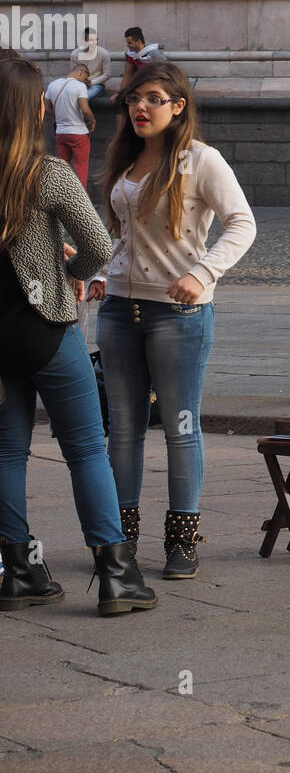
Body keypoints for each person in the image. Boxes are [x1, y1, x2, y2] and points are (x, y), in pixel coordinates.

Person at [0, 56, 156, 617]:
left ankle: (18, 573)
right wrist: (68, 270)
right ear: (32, 109)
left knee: (7, 452)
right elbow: (97, 246)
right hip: (46, 330)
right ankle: (116, 575)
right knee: (87, 448)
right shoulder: (45, 174)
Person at [87, 61, 256, 577]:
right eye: (132, 100)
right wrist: (99, 270)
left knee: (181, 427)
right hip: (118, 309)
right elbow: (121, 233)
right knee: (122, 428)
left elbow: (242, 224)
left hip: (178, 315)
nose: (139, 108)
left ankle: (182, 539)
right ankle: (120, 538)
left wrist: (203, 273)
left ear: (178, 106)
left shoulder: (201, 161)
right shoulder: (126, 158)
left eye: (153, 99)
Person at [45, 62, 96, 190]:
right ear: (81, 72)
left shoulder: (53, 84)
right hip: (78, 133)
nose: (85, 81)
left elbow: (46, 108)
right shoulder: (79, 86)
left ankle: (60, 198)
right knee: (81, 168)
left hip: (61, 133)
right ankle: (81, 202)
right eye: (86, 77)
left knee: (62, 168)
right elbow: (85, 109)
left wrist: (60, 116)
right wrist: (92, 122)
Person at [115, 28, 163, 103]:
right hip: (138, 84)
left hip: (154, 84)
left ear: (138, 42)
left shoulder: (154, 54)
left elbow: (164, 73)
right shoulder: (131, 55)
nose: (127, 45)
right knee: (120, 99)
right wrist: (120, 93)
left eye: (129, 43)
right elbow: (128, 74)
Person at [71, 27, 111, 100]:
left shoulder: (104, 53)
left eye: (96, 39)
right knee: (69, 94)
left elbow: (107, 74)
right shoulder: (75, 54)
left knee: (85, 97)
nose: (95, 42)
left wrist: (92, 82)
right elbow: (73, 73)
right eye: (91, 40)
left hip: (97, 85)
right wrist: (81, 82)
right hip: (79, 84)